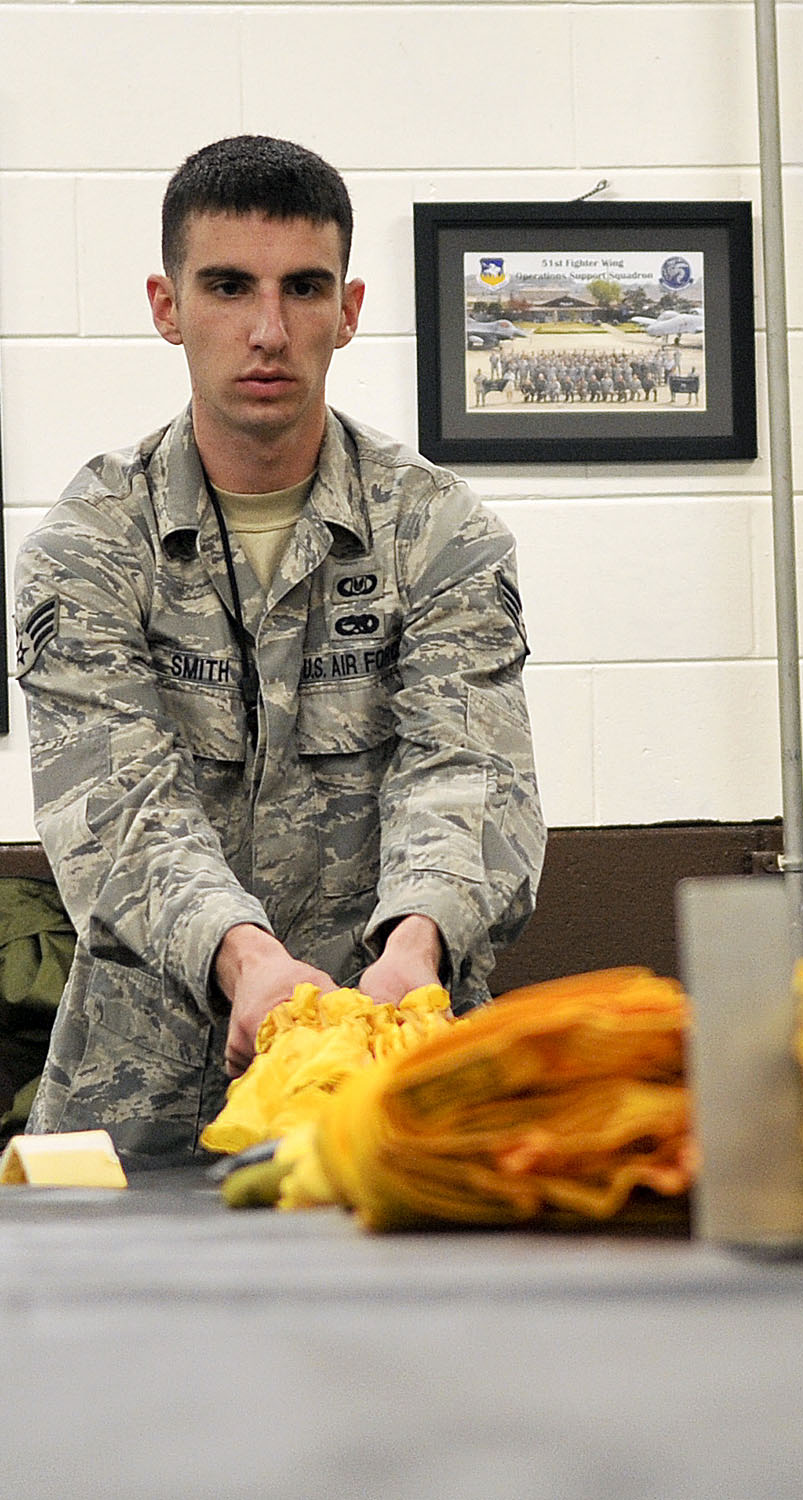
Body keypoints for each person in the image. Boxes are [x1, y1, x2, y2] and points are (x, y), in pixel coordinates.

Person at [12, 136, 545, 1160]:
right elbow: (119, 809)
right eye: (227, 286)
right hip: (145, 1102)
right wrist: (247, 961)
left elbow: (469, 773)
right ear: (168, 307)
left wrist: (418, 943)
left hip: (401, 1077)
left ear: (347, 311)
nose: (268, 330)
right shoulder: (90, 546)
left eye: (304, 289)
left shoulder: (438, 534)